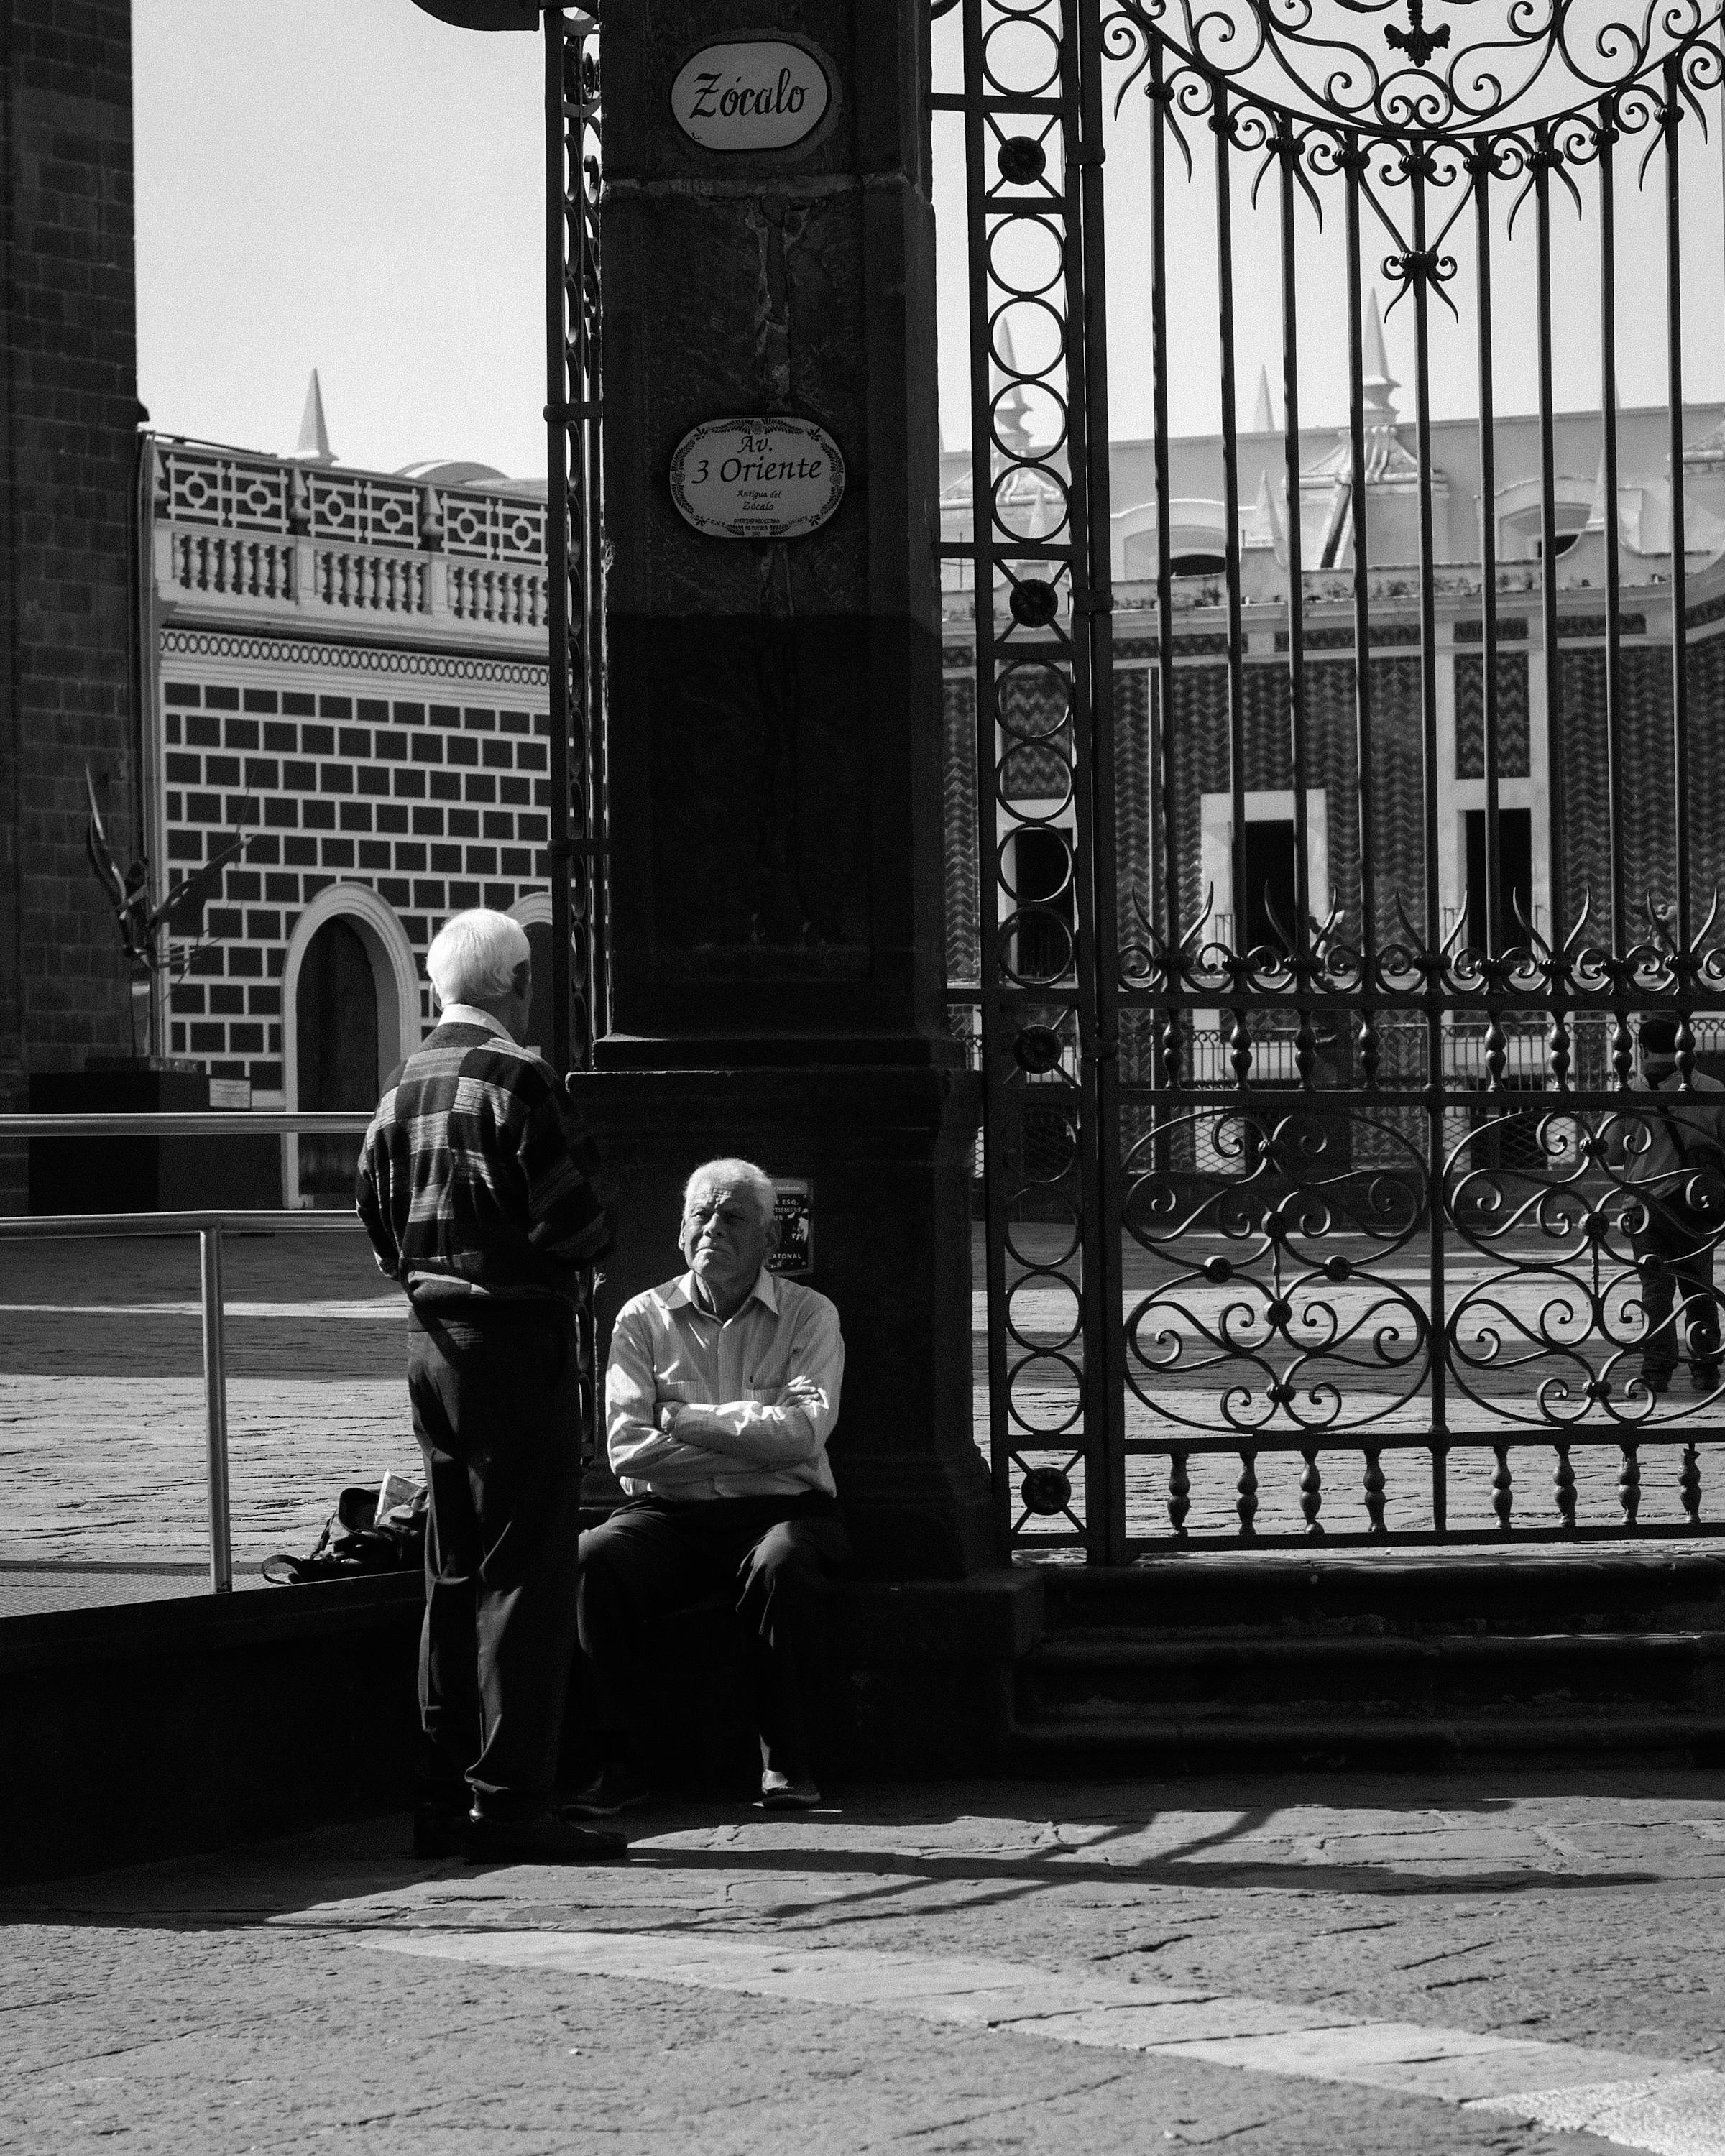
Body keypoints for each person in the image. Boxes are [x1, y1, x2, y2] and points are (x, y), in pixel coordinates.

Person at [356, 907, 627, 1864]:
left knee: (451, 1565)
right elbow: (574, 1221)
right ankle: (512, 1803)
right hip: (515, 1332)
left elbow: (374, 1217)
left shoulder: (403, 1082)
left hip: (430, 1335)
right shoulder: (519, 1077)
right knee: (526, 1572)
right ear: (514, 983)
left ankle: (439, 1796)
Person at [571, 1158, 848, 1813]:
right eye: (701, 1215)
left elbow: (805, 1435)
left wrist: (685, 1420)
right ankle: (618, 1764)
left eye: (733, 1218)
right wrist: (753, 1447)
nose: (712, 1230)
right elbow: (628, 1451)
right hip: (674, 1515)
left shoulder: (811, 1317)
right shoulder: (642, 1318)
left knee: (785, 1565)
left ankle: (788, 1763)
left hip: (786, 1509)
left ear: (769, 1242)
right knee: (592, 1560)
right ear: (679, 1231)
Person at [1616, 1013, 1725, 1397]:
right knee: (1698, 1288)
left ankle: (1657, 1372)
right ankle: (1707, 1371)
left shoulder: (1630, 1094)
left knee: (1655, 1291)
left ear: (1641, 1048)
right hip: (1697, 1202)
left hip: (1645, 1202)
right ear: (1685, 1047)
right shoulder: (1710, 1088)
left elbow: (1612, 1148)